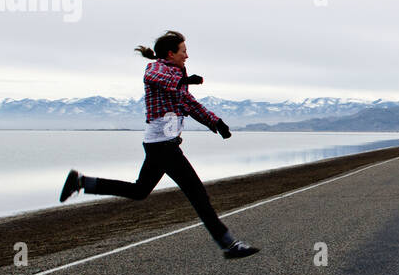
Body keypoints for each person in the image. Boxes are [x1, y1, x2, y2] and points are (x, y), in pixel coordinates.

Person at [58, 30, 258, 259]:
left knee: (140, 190)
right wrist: (184, 79)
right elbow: (156, 79)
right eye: (183, 51)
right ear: (170, 53)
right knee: (197, 194)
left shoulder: (177, 75)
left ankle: (82, 182)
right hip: (163, 145)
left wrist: (216, 123)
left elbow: (189, 104)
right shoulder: (156, 69)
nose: (187, 56)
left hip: (161, 144)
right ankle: (229, 245)